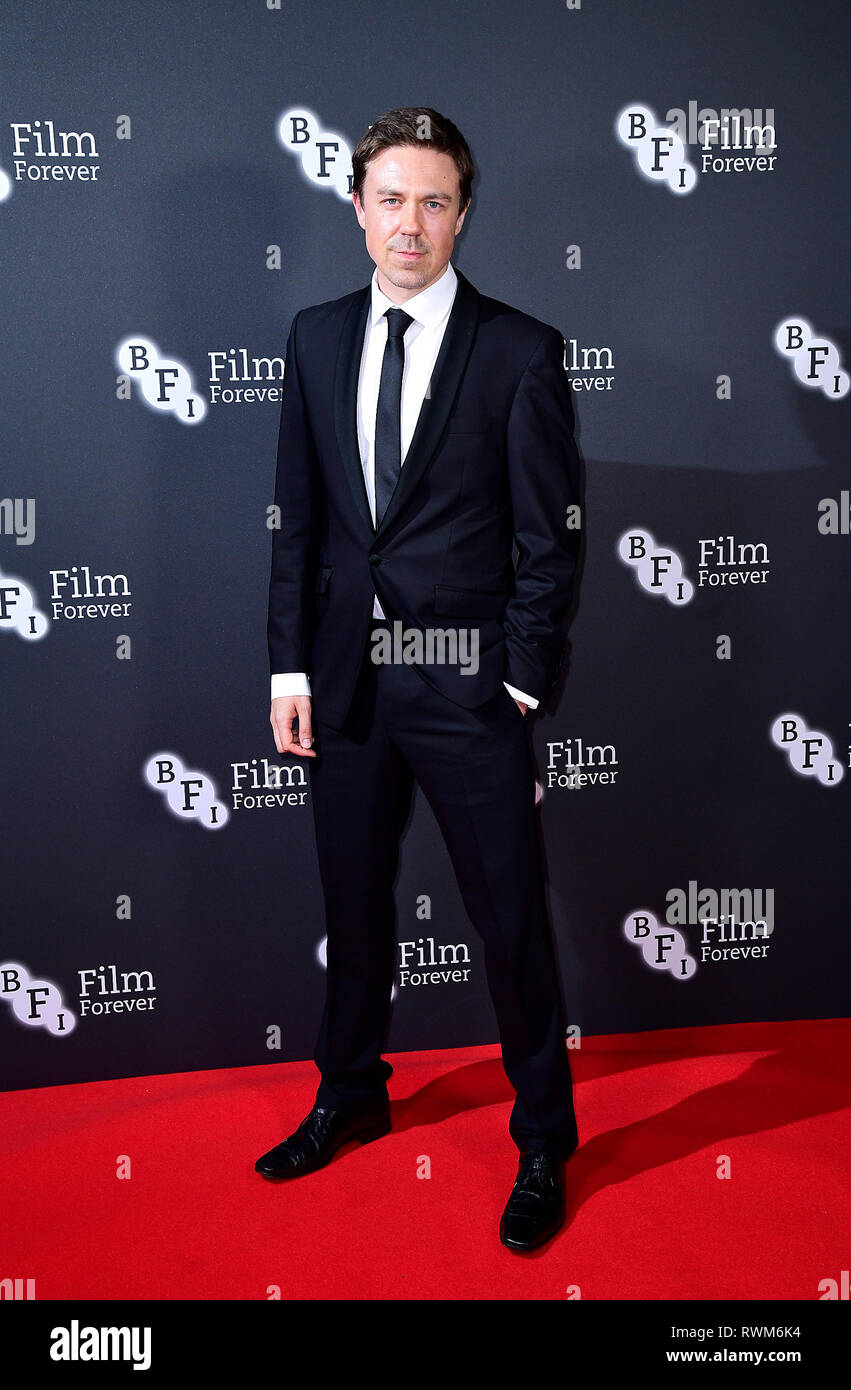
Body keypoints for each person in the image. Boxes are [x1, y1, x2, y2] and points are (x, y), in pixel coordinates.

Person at [256, 107, 583, 1252]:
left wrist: (522, 681)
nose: (410, 222)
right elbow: (299, 519)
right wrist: (289, 661)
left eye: (433, 200)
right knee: (352, 907)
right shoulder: (311, 336)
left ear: (462, 214)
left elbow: (551, 538)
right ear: (356, 207)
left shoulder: (518, 350)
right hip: (345, 682)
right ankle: (349, 1090)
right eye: (389, 198)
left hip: (465, 685)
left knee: (506, 923)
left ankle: (543, 1134)